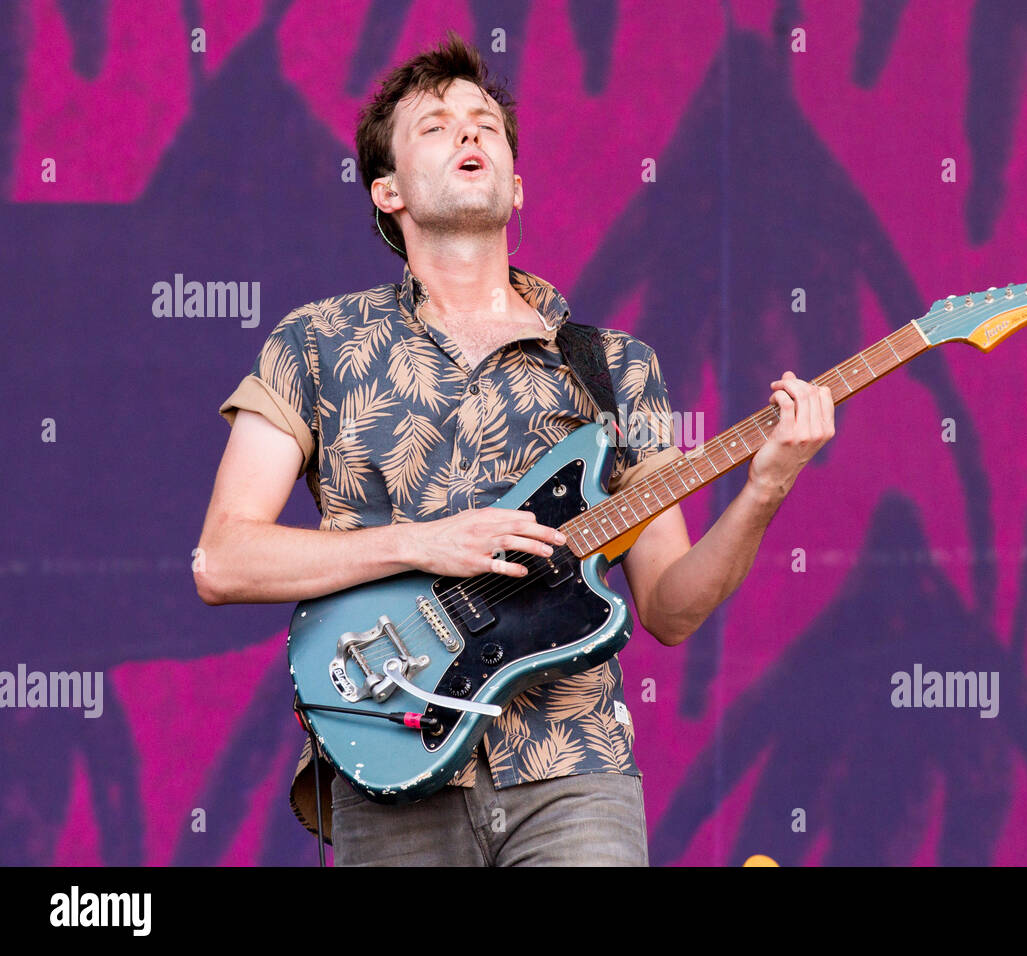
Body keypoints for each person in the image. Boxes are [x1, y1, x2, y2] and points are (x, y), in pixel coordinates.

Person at [195, 30, 835, 866]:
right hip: (389, 752)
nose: (468, 133)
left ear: (516, 181)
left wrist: (766, 490)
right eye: (435, 126)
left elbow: (672, 609)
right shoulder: (316, 344)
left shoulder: (615, 368)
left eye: (485, 124)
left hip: (574, 768)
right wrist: (425, 544)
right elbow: (223, 561)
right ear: (386, 191)